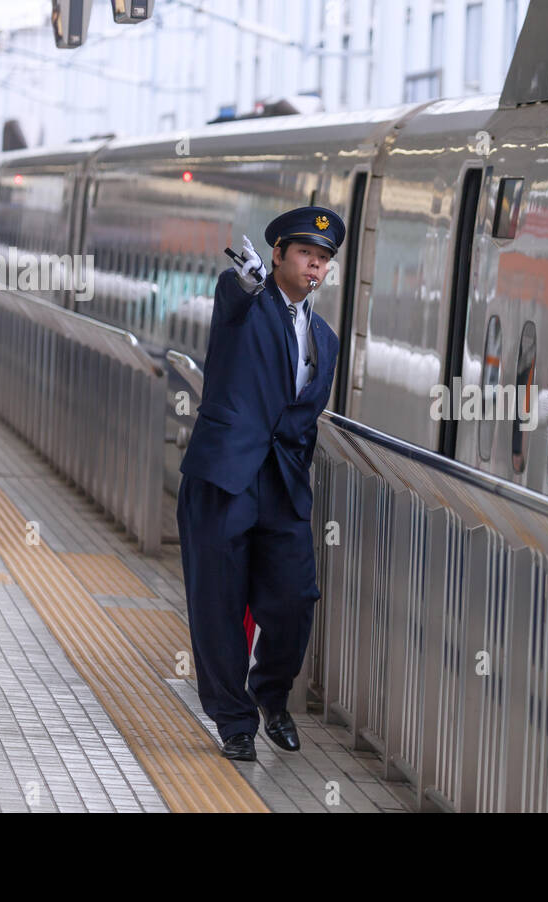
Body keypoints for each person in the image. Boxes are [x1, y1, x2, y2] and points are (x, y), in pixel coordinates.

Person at [176, 206, 344, 761]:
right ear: (277, 256)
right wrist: (247, 283)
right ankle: (234, 723)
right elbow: (234, 296)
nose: (314, 267)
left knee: (296, 600)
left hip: (283, 488)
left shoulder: (326, 337)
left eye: (323, 260)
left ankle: (271, 697)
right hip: (224, 478)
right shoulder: (242, 300)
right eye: (305, 255)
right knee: (217, 604)